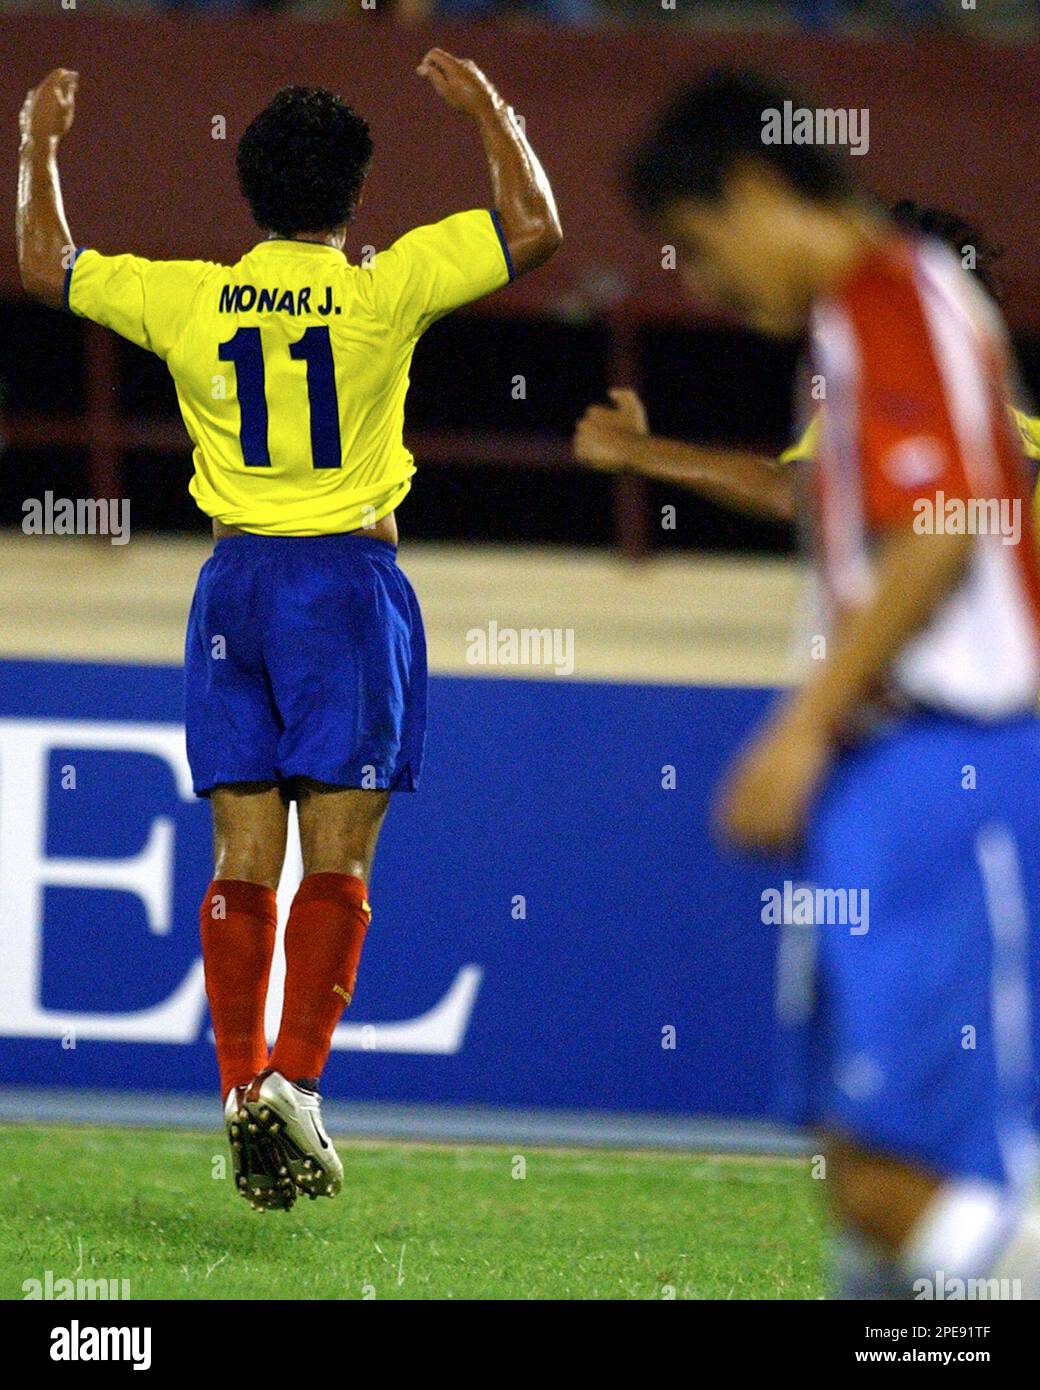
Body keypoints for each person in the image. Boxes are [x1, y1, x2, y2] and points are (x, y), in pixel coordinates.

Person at [17, 52, 561, 1211]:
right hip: (346, 588)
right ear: (352, 194)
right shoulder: (382, 289)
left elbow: (40, 264)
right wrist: (488, 109)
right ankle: (297, 1086)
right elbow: (536, 227)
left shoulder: (189, 296)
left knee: (239, 857)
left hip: (231, 590)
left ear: (248, 191)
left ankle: (234, 1091)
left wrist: (37, 143)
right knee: (340, 858)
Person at [606, 69, 1040, 1298]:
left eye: (696, 246)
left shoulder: (892, 294)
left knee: (910, 1179)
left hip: (946, 773)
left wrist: (800, 728)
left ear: (754, 189)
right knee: (860, 1176)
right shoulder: (854, 325)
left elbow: (940, 527)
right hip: (887, 779)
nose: (698, 283)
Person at [574, 202, 1040, 527]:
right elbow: (793, 489)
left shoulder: (998, 441)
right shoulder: (862, 412)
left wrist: (635, 450)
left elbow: (789, 496)